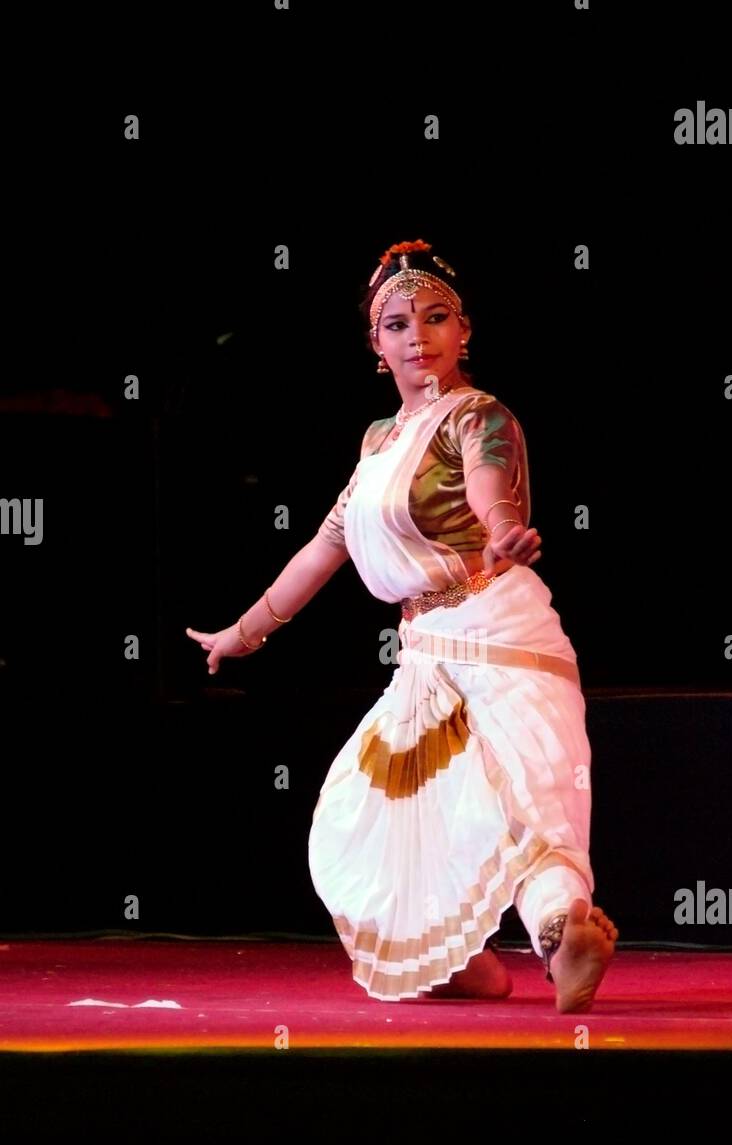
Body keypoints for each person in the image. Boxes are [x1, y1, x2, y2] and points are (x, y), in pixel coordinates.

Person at [186, 239, 617, 1012]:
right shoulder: (378, 444)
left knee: (522, 798)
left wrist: (503, 527)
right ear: (376, 347)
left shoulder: (479, 415)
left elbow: (492, 488)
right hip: (424, 652)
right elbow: (326, 546)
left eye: (435, 317)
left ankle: (562, 935)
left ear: (464, 331)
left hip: (498, 629)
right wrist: (243, 632)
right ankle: (457, 959)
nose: (416, 335)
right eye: (395, 324)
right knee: (374, 809)